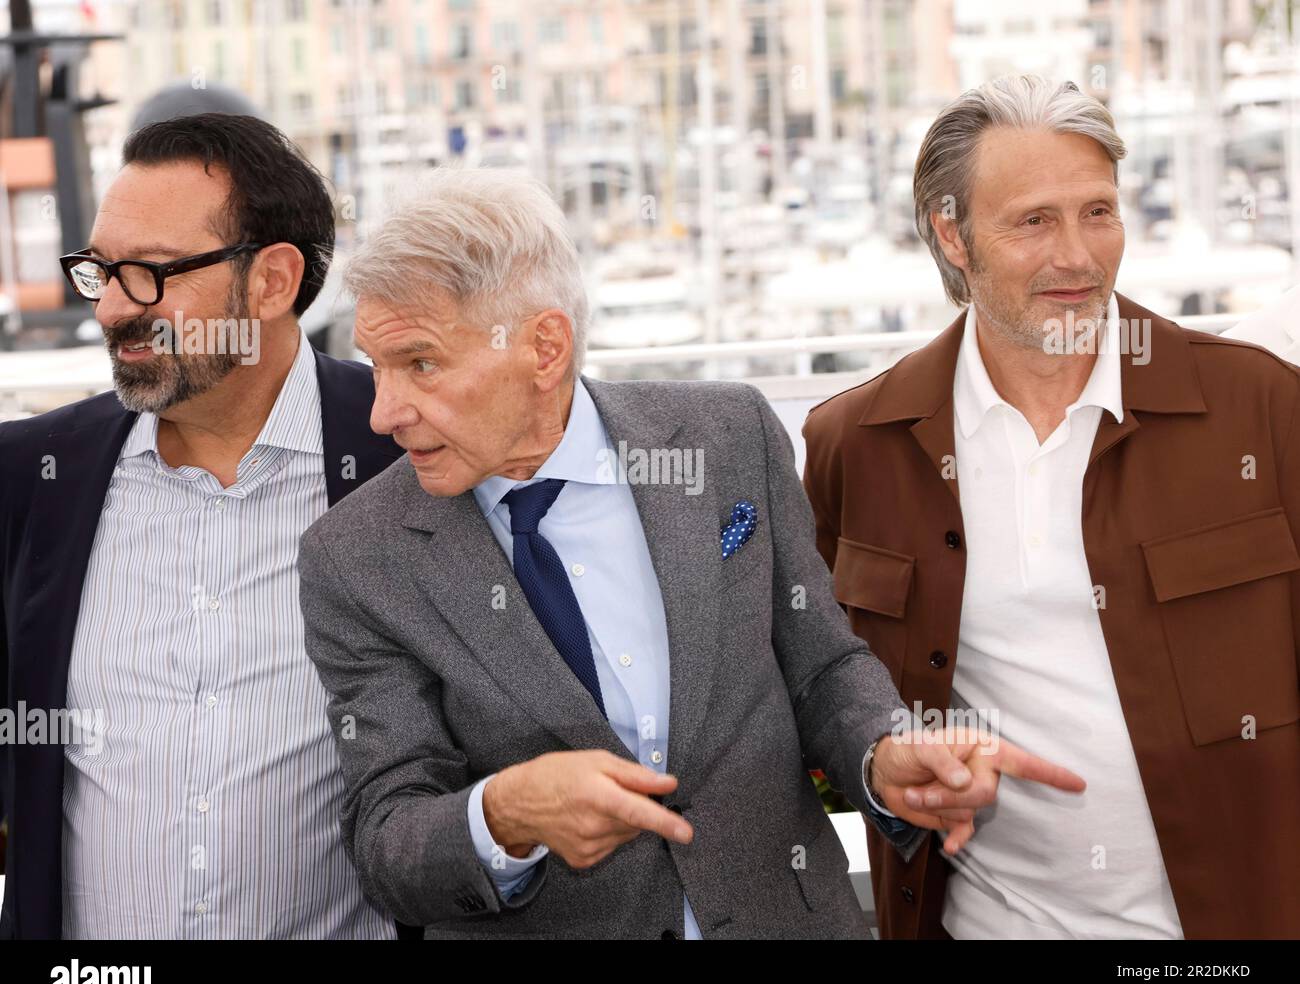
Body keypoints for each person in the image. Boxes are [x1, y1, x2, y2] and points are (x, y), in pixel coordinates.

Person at [297, 167, 1084, 939]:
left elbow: (821, 666)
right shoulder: (355, 557)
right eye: (376, 366)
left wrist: (884, 753)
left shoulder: (727, 437)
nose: (382, 412)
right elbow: (386, 838)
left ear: (544, 348)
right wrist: (502, 814)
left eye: (421, 364)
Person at [803, 75, 1300, 939]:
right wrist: (882, 762)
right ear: (952, 235)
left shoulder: (1262, 406)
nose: (1078, 256)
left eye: (1098, 212)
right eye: (1035, 220)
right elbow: (813, 691)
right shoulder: (855, 442)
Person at [0, 114, 403, 938]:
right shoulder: (28, 479)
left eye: (149, 273)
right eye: (101, 271)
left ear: (272, 281)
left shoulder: (408, 452)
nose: (113, 308)